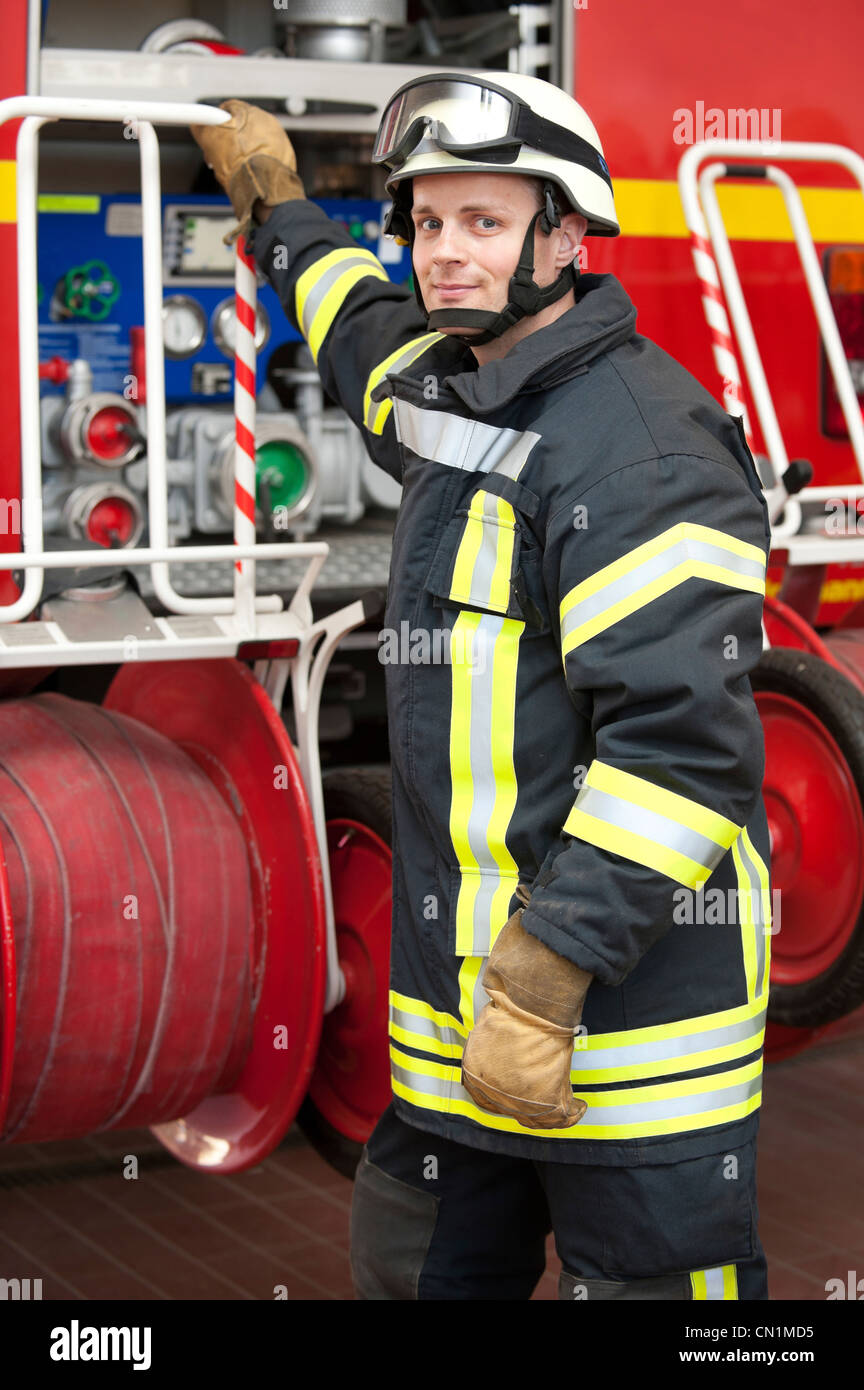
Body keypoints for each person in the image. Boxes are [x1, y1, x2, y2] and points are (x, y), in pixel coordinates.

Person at [192, 70, 773, 1302]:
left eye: (484, 222)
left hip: (625, 1050)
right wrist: (281, 206)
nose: (441, 254)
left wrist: (548, 970)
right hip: (458, 1047)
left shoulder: (644, 454)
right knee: (412, 1267)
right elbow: (359, 334)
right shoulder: (459, 398)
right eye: (425, 221)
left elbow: (685, 754)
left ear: (566, 235)